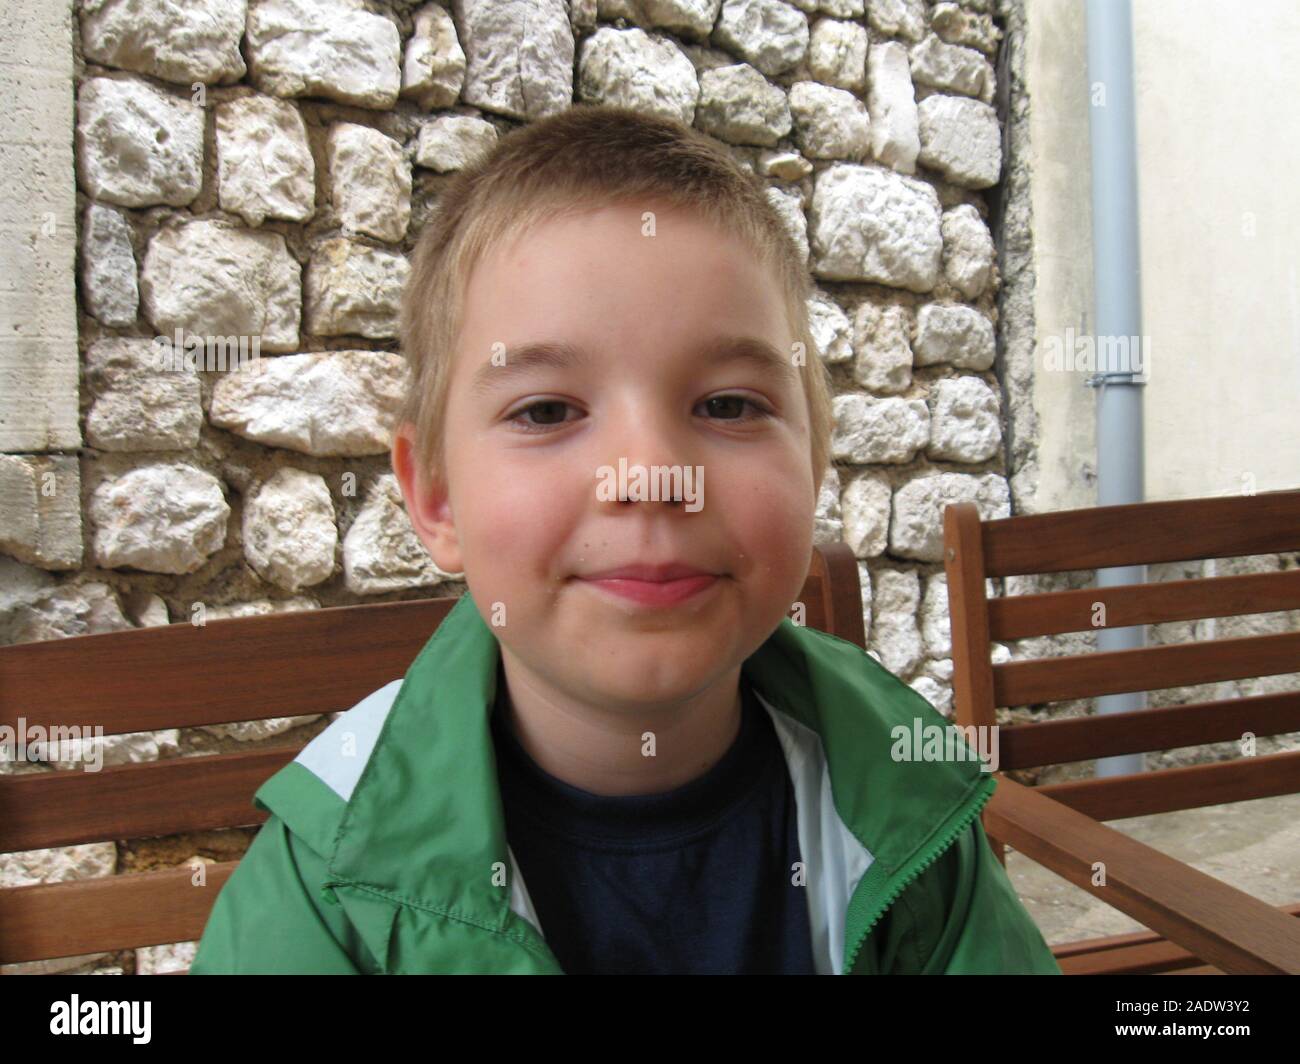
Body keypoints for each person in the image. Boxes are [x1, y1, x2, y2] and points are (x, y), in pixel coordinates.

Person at [190, 104, 1061, 975]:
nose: (647, 476)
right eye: (545, 411)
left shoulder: (909, 802)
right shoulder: (327, 889)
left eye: (728, 405)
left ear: (815, 463)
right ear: (436, 497)